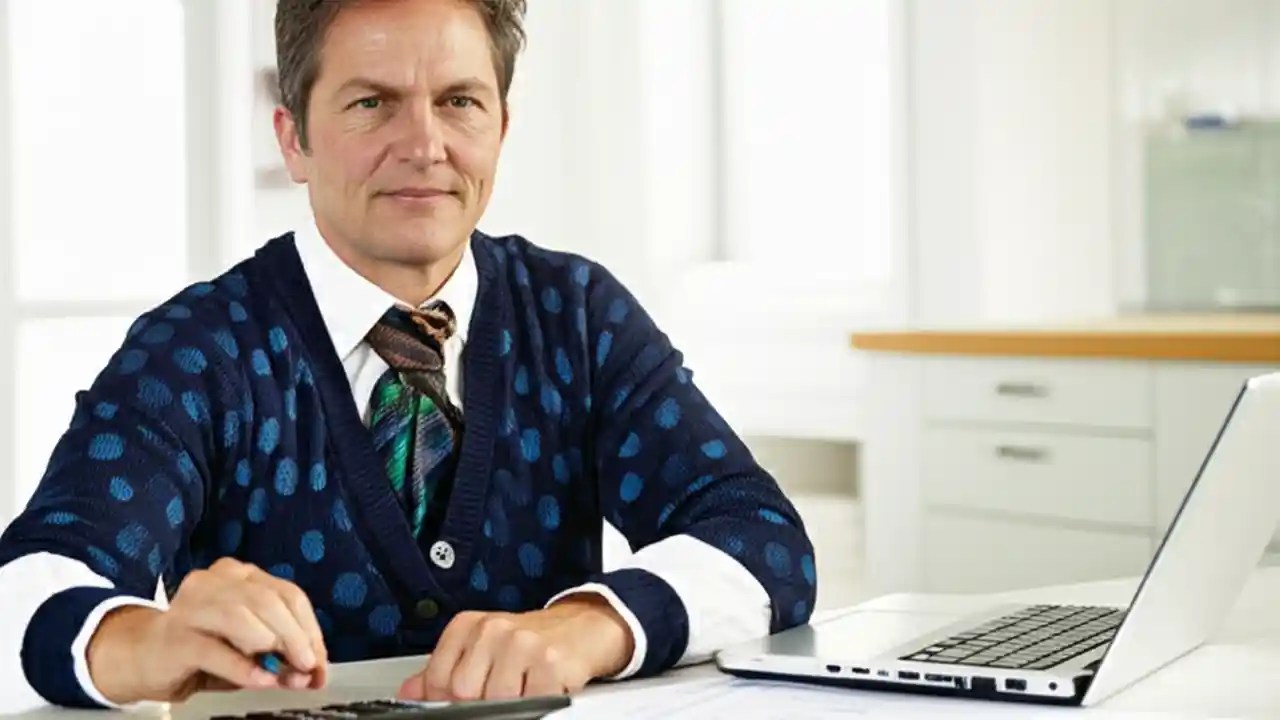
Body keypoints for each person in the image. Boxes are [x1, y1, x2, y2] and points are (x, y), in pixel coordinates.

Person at [0, 0, 816, 710]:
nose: (424, 145)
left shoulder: (575, 314)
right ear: (293, 139)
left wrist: (588, 627)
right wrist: (140, 639)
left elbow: (762, 539)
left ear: (500, 128)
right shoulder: (196, 349)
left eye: (459, 101)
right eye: (371, 103)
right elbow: (31, 581)